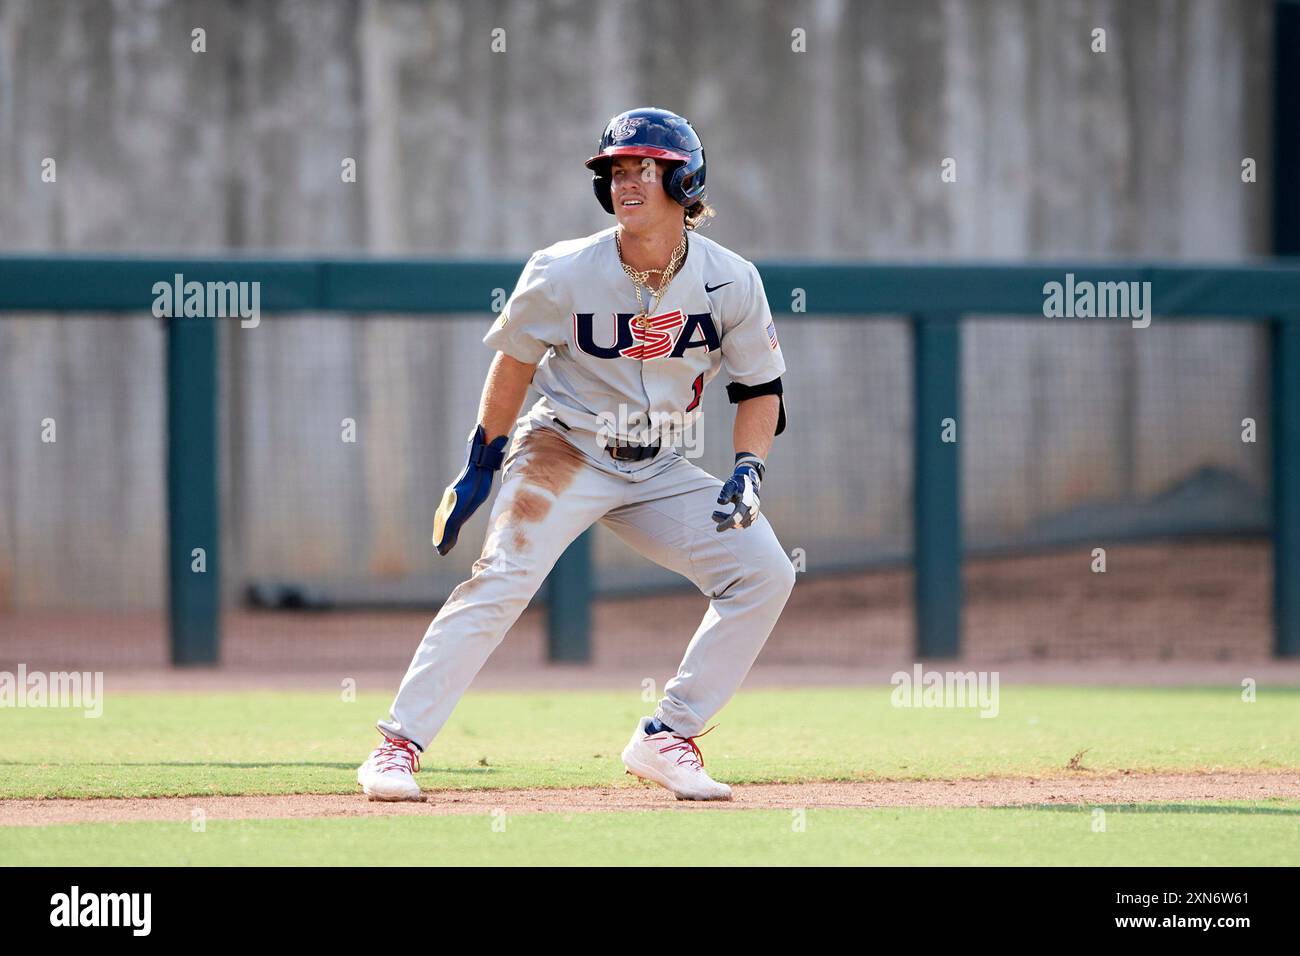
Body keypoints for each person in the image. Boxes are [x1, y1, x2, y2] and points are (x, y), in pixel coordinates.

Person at [357, 107, 794, 802]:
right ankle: (396, 747)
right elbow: (514, 363)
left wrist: (749, 468)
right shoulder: (562, 270)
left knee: (765, 573)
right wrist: (482, 463)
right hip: (565, 446)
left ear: (685, 181)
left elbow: (761, 388)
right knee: (501, 579)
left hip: (660, 463)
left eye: (645, 169)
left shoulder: (731, 279)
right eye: (617, 170)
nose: (627, 182)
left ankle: (667, 736)